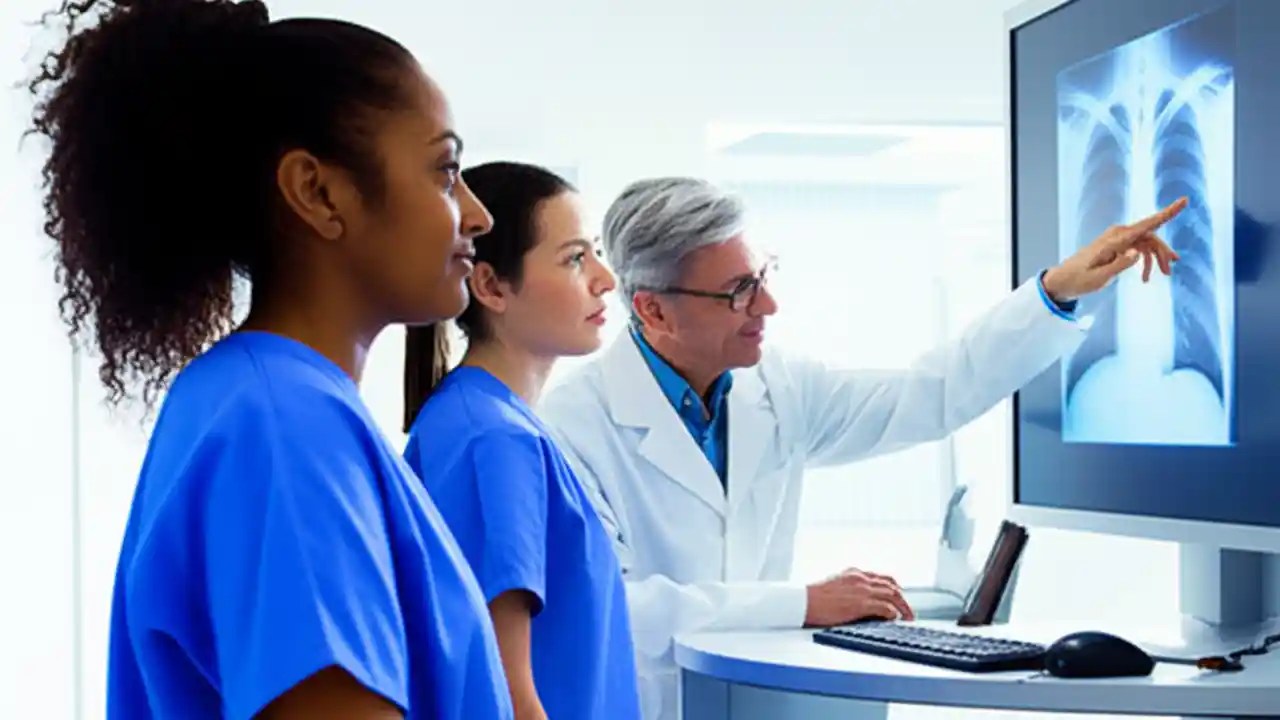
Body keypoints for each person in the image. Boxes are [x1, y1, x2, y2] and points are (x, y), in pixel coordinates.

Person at [537, 176, 1185, 719]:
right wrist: (805, 602)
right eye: (739, 291)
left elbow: (932, 395)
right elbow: (616, 608)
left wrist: (1057, 292)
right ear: (652, 312)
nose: (769, 303)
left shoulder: (779, 388)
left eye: (762, 274)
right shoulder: (573, 424)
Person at [27, 1, 512, 718]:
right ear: (317, 193)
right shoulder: (286, 428)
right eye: (445, 171)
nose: (477, 214)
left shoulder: (252, 401)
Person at [401, 162, 641, 720]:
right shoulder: (495, 439)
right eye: (575, 259)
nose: (605, 279)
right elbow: (504, 695)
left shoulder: (475, 419)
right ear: (490, 285)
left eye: (597, 253)